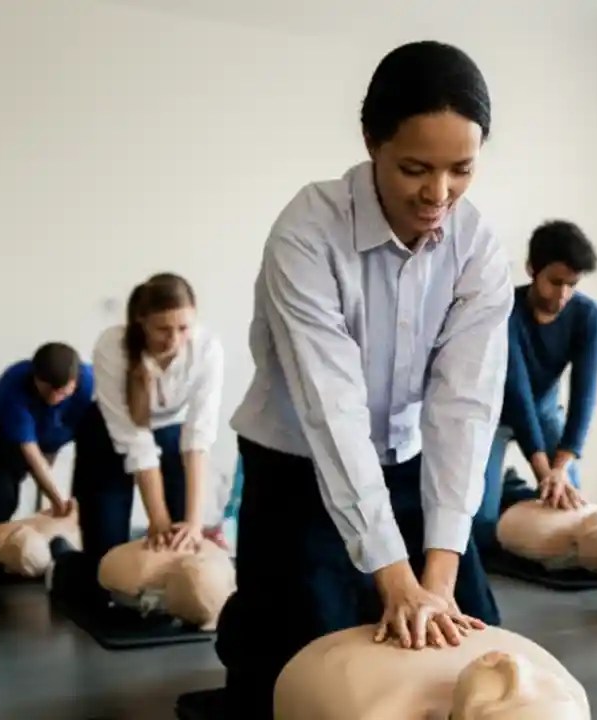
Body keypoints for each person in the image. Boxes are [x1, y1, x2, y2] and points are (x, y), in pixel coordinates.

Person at [214, 41, 513, 718]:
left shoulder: (478, 248)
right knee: (298, 661)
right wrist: (390, 576)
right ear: (370, 142)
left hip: (407, 457)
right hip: (294, 459)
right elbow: (332, 411)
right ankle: (249, 625)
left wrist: (433, 578)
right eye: (415, 169)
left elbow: (463, 409)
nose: (439, 194)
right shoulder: (308, 232)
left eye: (461, 170)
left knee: (471, 631)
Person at [49, 273, 224, 608]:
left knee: (181, 538)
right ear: (141, 321)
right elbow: (136, 441)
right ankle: (62, 565)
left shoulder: (207, 348)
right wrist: (155, 519)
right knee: (103, 564)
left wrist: (193, 521)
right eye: (163, 329)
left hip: (172, 432)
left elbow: (199, 436)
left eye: (184, 328)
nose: (175, 339)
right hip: (108, 437)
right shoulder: (112, 347)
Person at [471, 219, 597, 554]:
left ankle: (514, 487)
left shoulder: (588, 315)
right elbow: (516, 393)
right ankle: (509, 491)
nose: (562, 295)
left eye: (572, 285)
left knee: (567, 504)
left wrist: (560, 469)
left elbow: (584, 394)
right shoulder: (505, 311)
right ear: (532, 269)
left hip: (544, 410)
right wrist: (543, 471)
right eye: (555, 282)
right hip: (494, 414)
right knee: (481, 529)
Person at [0, 343, 93, 580]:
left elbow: (89, 439)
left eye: (62, 392)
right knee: (2, 497)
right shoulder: (12, 387)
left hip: (54, 435)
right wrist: (59, 501)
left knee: (77, 500)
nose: (54, 397)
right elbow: (30, 451)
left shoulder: (90, 384)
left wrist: (65, 498)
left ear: (75, 381)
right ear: (35, 377)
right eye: (48, 389)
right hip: (5, 440)